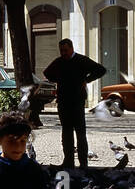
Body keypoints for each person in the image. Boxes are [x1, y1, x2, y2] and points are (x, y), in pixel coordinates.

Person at [43, 38, 106, 170]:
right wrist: (59, 80)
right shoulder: (59, 62)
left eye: (65, 50)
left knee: (80, 132)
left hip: (77, 101)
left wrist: (86, 80)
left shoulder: (82, 60)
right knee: (66, 132)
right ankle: (68, 161)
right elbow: (47, 73)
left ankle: (83, 163)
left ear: (71, 48)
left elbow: (101, 70)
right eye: (61, 51)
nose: (64, 53)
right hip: (63, 101)